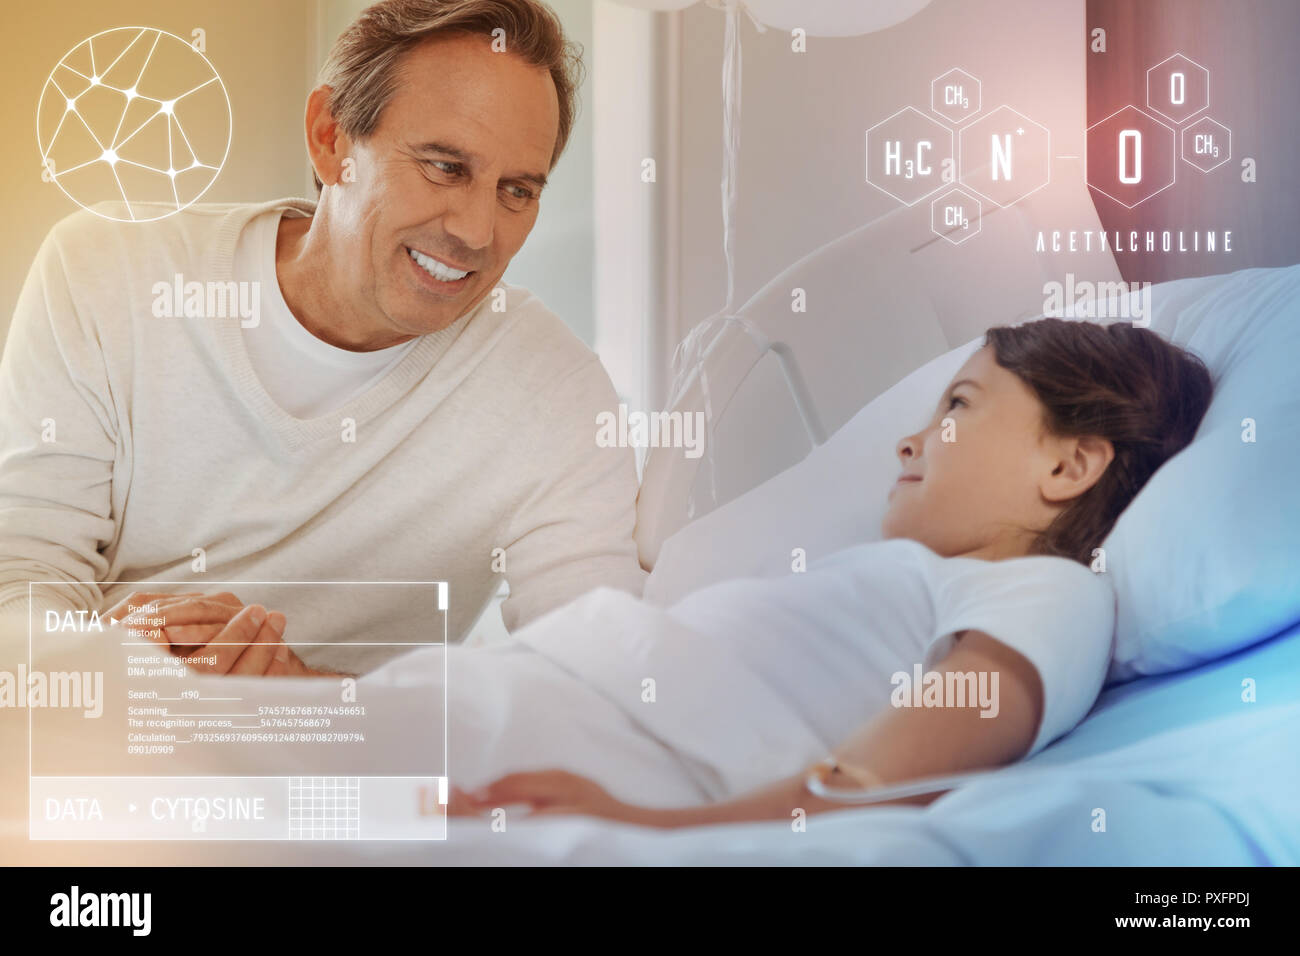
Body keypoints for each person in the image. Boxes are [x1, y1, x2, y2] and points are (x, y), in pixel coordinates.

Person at [137, 318, 1213, 827]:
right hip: (523, 692)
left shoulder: (1043, 594)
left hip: (591, 740)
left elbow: (882, 780)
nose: (908, 440)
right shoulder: (899, 576)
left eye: (959, 407)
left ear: (1069, 462)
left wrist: (646, 828)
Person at [0, 0, 645, 677]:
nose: (477, 232)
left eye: (516, 190)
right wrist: (114, 660)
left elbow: (593, 684)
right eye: (444, 167)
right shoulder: (104, 274)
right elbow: (21, 577)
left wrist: (301, 694)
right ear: (330, 138)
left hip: (346, 772)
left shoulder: (553, 393)